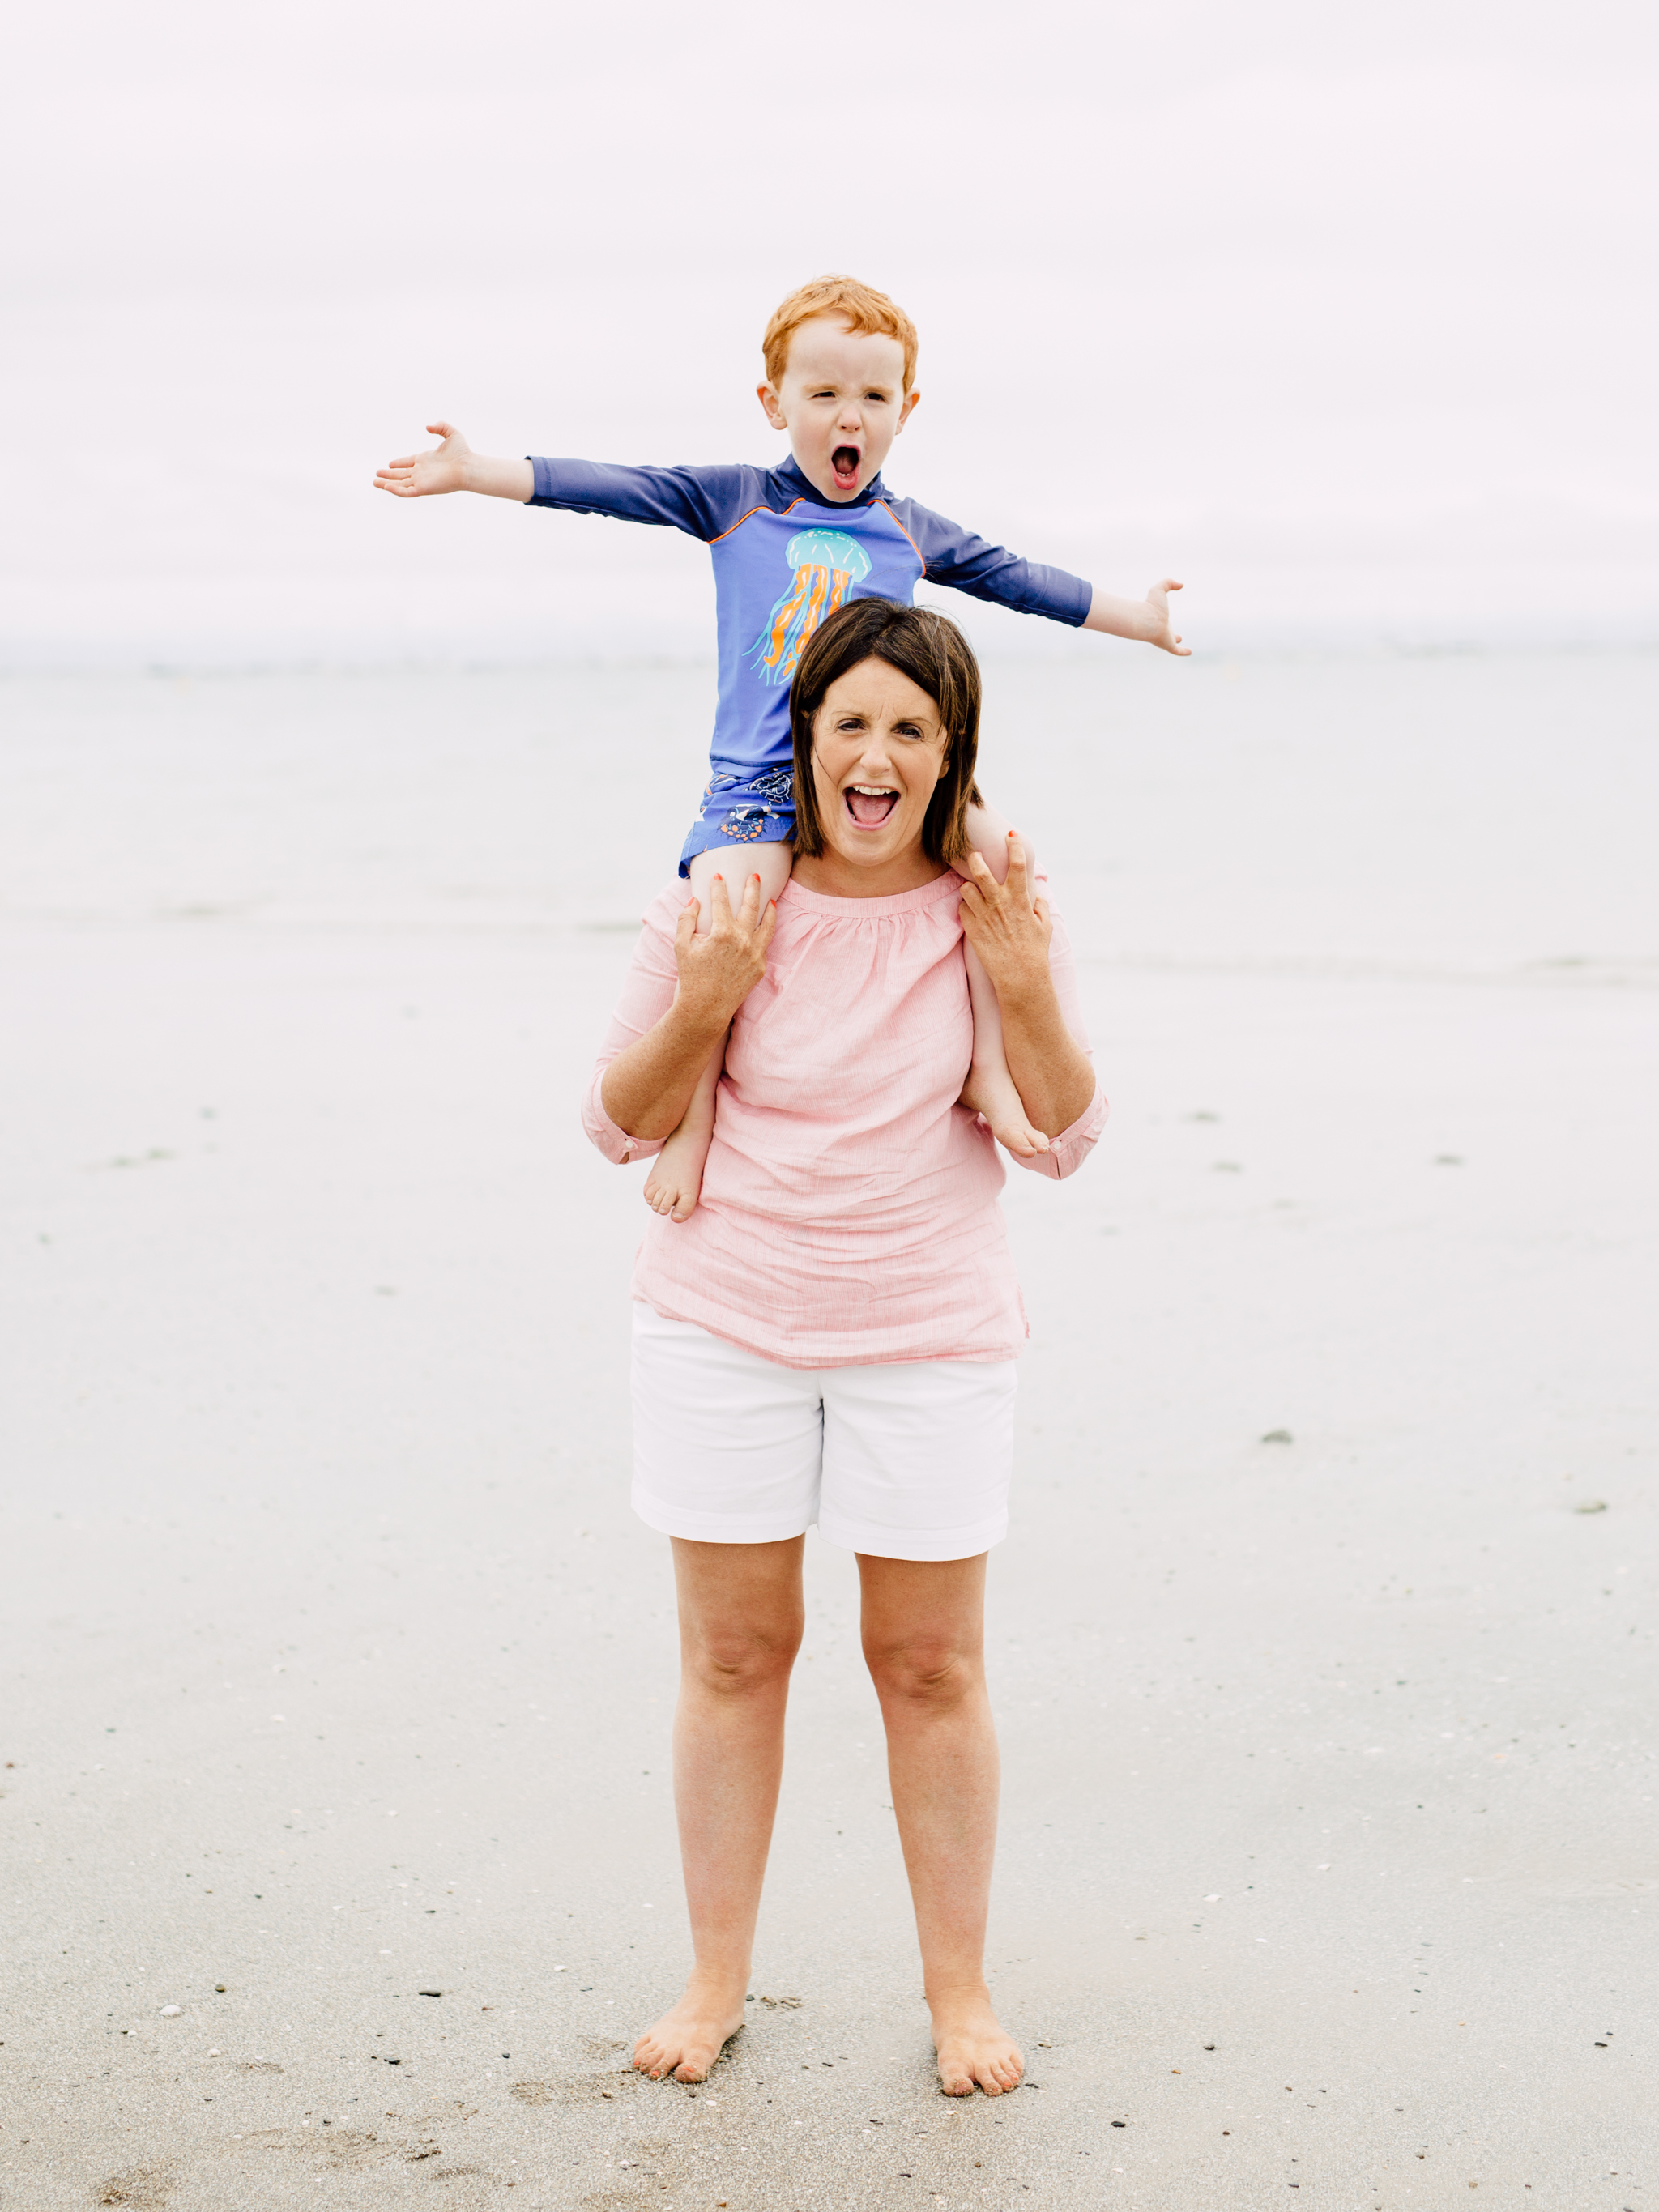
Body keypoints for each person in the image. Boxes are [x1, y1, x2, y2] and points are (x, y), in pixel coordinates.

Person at [583, 598, 1107, 2096]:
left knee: (929, 1664)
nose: (875, 757)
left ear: (950, 761)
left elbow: (1066, 1136)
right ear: (802, 742)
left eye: (910, 731)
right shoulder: (715, 901)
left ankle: (959, 1991)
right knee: (736, 1654)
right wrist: (704, 999)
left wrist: (1015, 981)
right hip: (721, 1319)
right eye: (851, 724)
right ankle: (713, 1980)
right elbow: (613, 1122)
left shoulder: (996, 906)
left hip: (927, 1331)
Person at [375, 271, 1181, 1216]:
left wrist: (1137, 617)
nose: (850, 416)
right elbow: (613, 490)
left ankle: (987, 1072)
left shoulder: (906, 530)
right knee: (724, 918)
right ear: (775, 403)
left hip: (887, 765)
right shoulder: (737, 502)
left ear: (904, 410)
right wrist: (477, 471)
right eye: (824, 393)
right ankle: (690, 1129)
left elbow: (1017, 579)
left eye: (873, 396)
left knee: (1001, 860)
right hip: (760, 779)